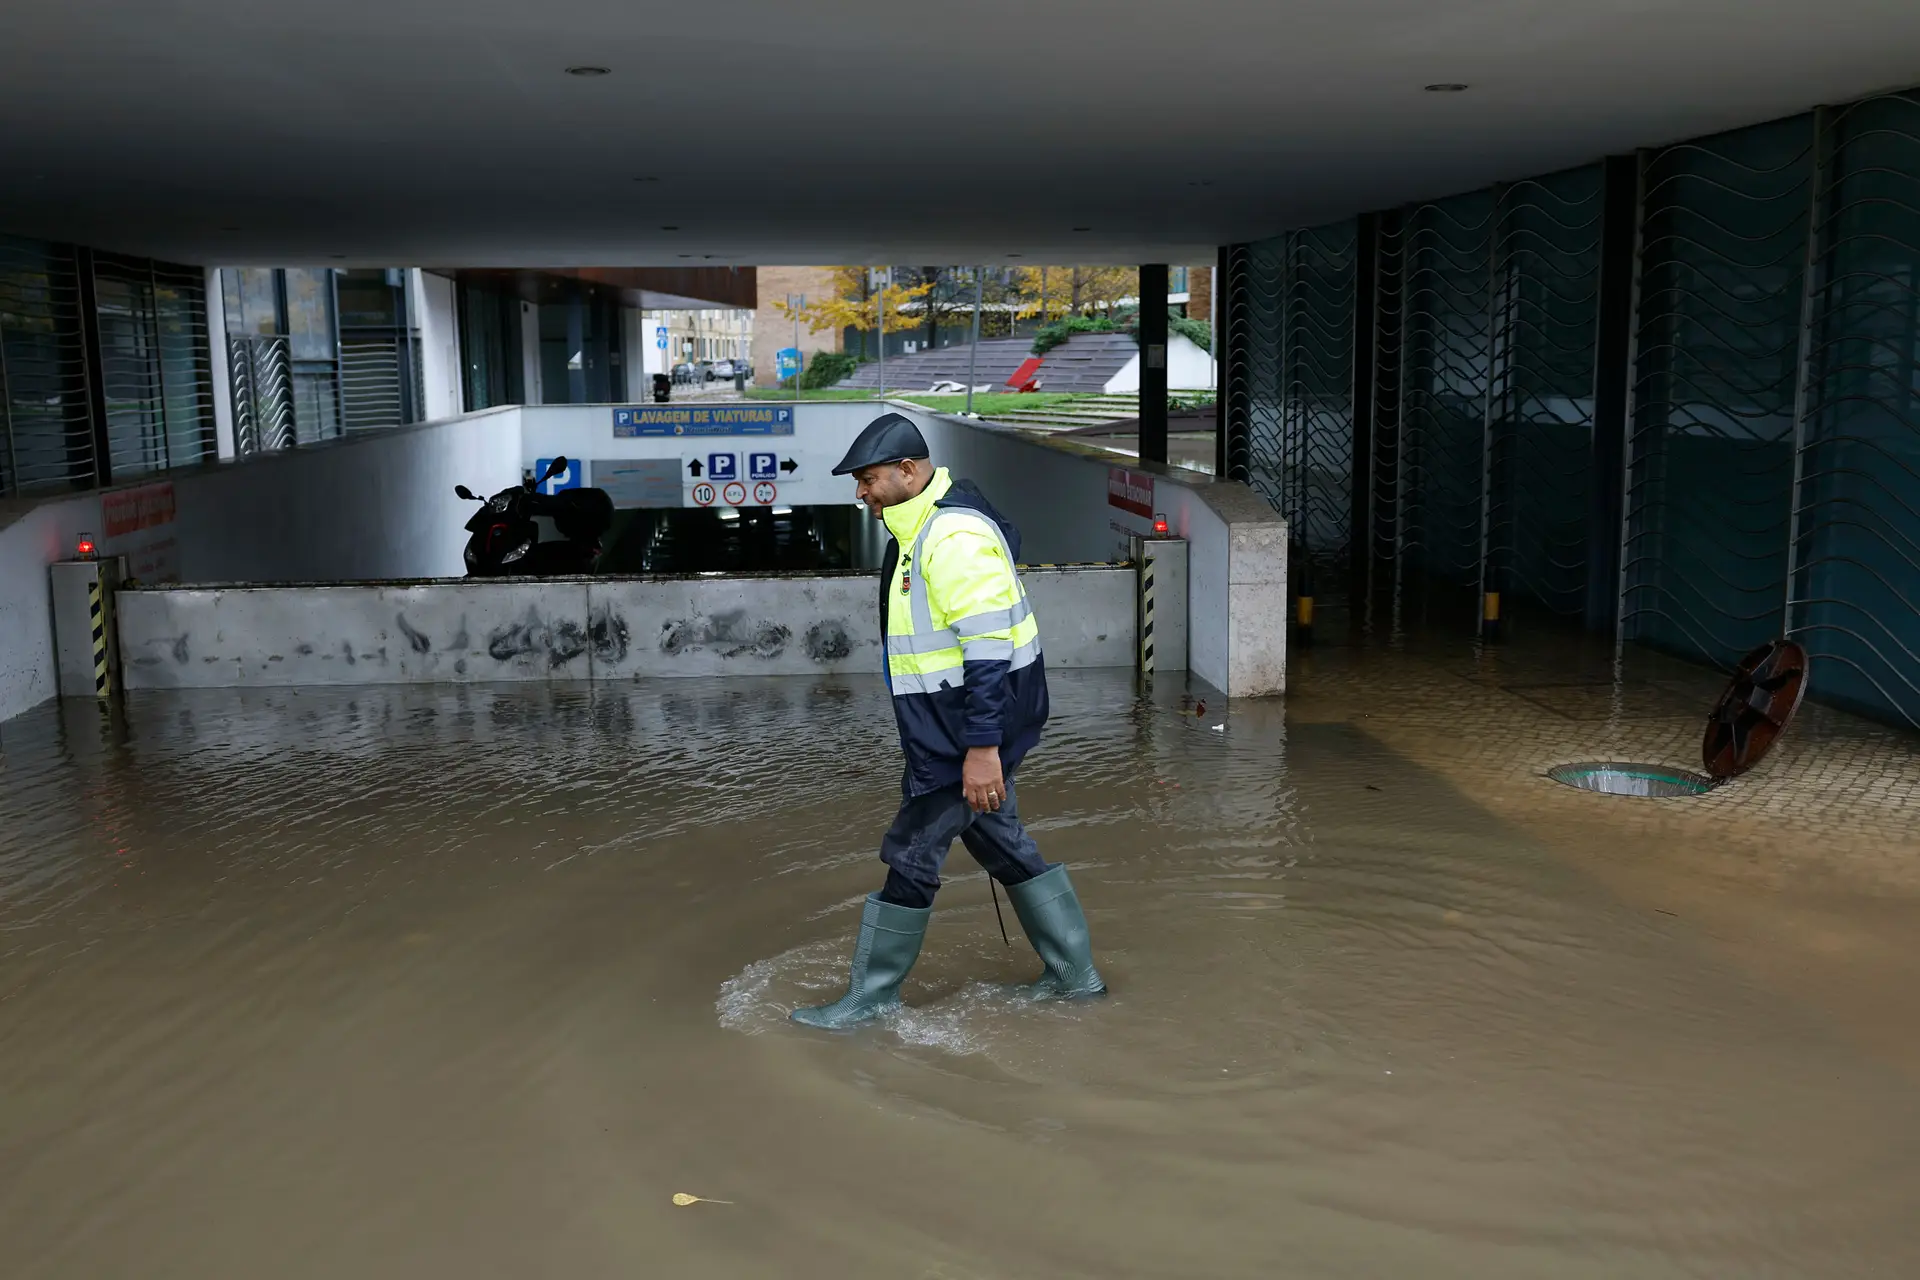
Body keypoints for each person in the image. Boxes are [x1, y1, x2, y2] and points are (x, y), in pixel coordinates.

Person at [791, 412, 1105, 1030]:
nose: (860, 493)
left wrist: (981, 750)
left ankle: (870, 999)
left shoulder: (951, 538)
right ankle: (1075, 976)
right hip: (950, 729)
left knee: (911, 852)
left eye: (868, 479)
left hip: (966, 735)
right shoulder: (917, 532)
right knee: (999, 840)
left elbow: (987, 651)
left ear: (908, 471)